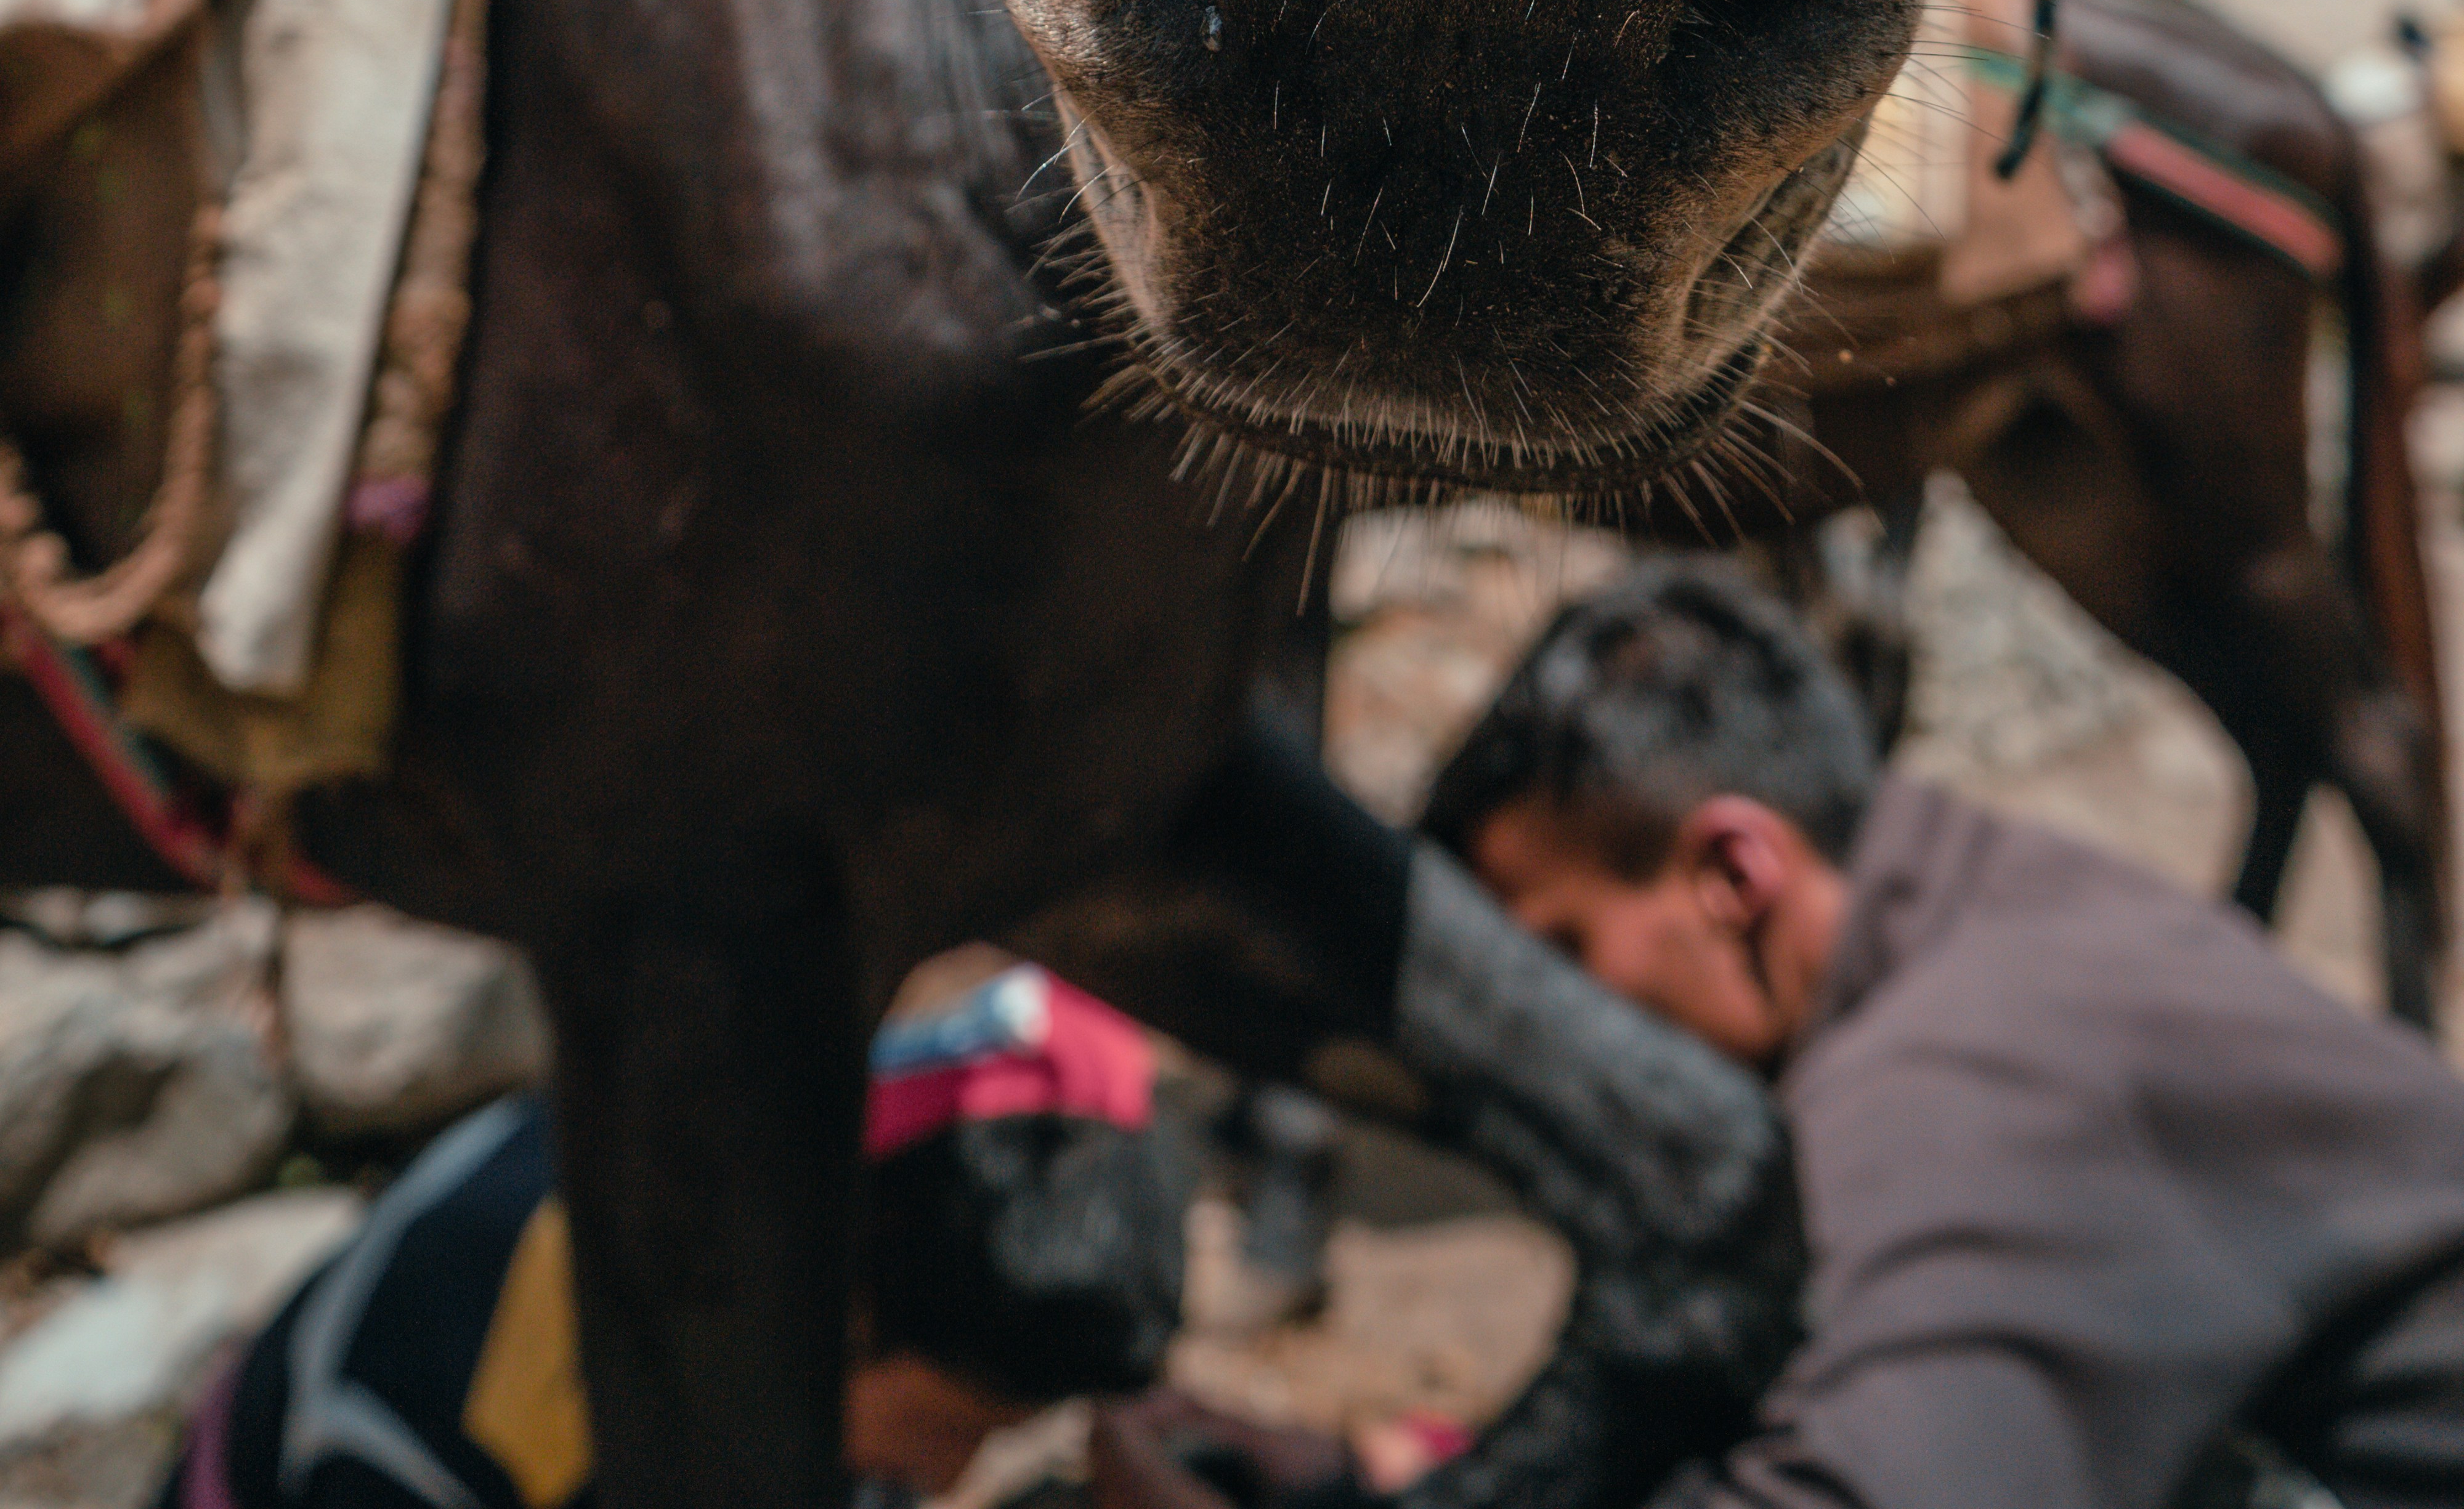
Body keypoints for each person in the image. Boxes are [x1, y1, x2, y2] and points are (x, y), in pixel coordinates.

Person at [1422, 563, 2464, 1509]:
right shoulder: (1977, 896)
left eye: (1558, 954)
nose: (1542, 1016)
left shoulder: (1957, 1073)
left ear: (1735, 875)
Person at [156, 966, 1186, 1509]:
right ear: (847, 1309)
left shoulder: (771, 1273)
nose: (951, 1479)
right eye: (948, 1430)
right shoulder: (481, 1361)